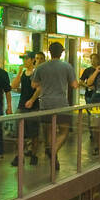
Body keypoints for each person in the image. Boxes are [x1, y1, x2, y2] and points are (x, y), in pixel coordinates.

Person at [24, 40, 76, 170]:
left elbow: (33, 85)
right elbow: (74, 85)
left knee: (49, 131)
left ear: (49, 52)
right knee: (64, 130)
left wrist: (45, 82)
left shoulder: (41, 67)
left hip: (45, 103)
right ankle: (54, 151)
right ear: (61, 53)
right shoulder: (67, 67)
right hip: (61, 103)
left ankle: (52, 154)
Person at [11, 51, 40, 166]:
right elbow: (14, 85)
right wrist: (19, 72)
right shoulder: (23, 73)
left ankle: (34, 154)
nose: (25, 61)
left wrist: (32, 100)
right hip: (22, 105)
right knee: (19, 133)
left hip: (33, 106)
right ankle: (19, 156)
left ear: (32, 60)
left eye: (27, 59)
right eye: (24, 59)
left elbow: (39, 88)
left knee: (34, 133)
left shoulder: (36, 72)